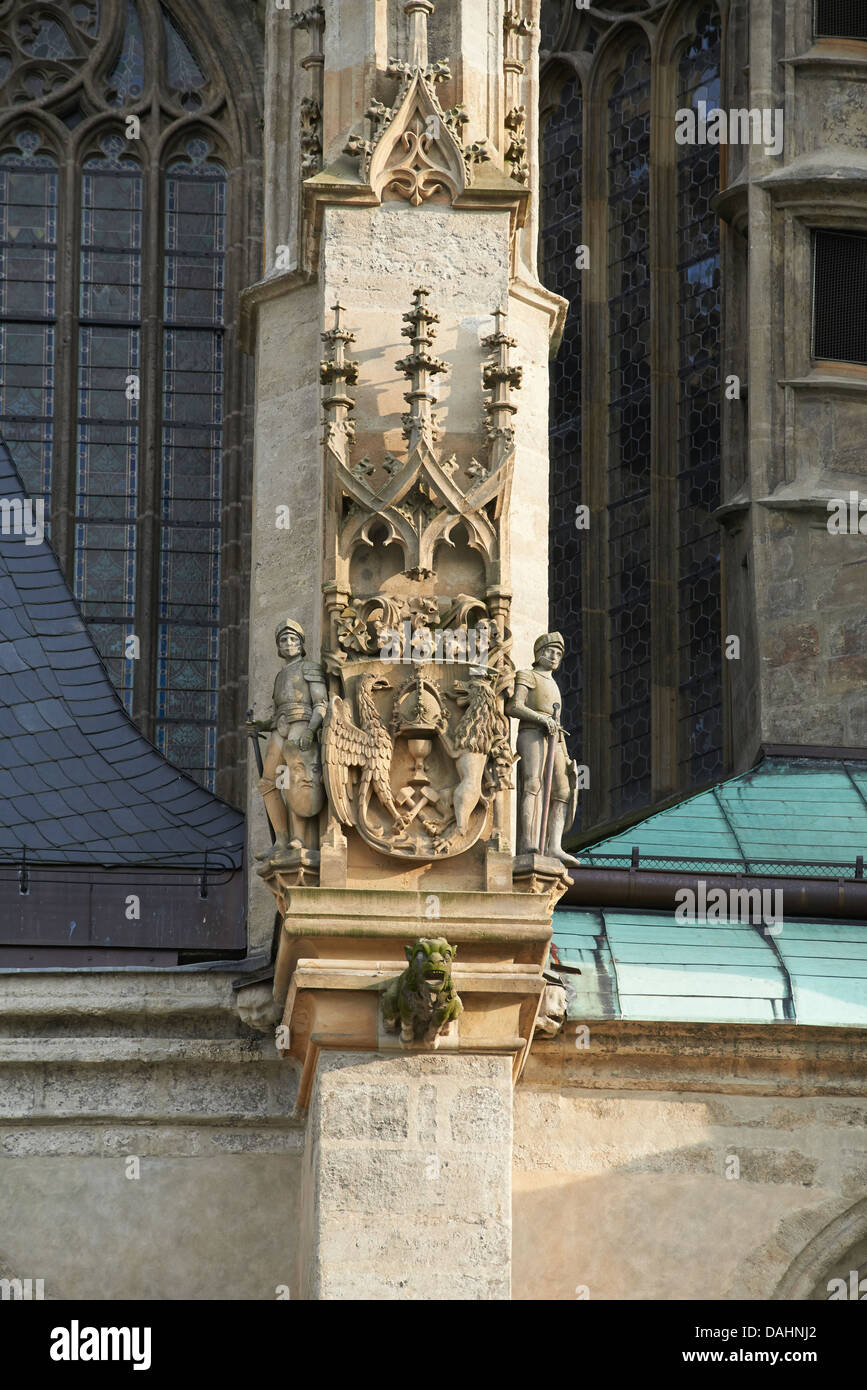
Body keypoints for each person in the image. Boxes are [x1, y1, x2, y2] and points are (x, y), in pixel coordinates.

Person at [249, 619, 327, 858]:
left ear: (301, 644)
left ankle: (299, 838)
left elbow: (321, 703)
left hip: (301, 725)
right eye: (284, 640)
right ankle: (281, 839)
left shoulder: (309, 667)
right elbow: (277, 712)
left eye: (293, 639)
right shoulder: (280, 675)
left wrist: (310, 730)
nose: (288, 643)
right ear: (278, 647)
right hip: (279, 728)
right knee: (268, 783)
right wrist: (260, 725)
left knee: (294, 780)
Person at [506, 632, 580, 867]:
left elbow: (556, 721)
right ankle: (528, 842)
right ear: (539, 653)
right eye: (550, 651)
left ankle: (554, 846)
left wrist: (567, 757)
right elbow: (514, 706)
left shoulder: (553, 682)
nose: (554, 656)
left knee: (563, 790)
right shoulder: (527, 675)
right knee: (533, 784)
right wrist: (540, 719)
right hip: (531, 733)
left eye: (558, 653)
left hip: (554, 736)